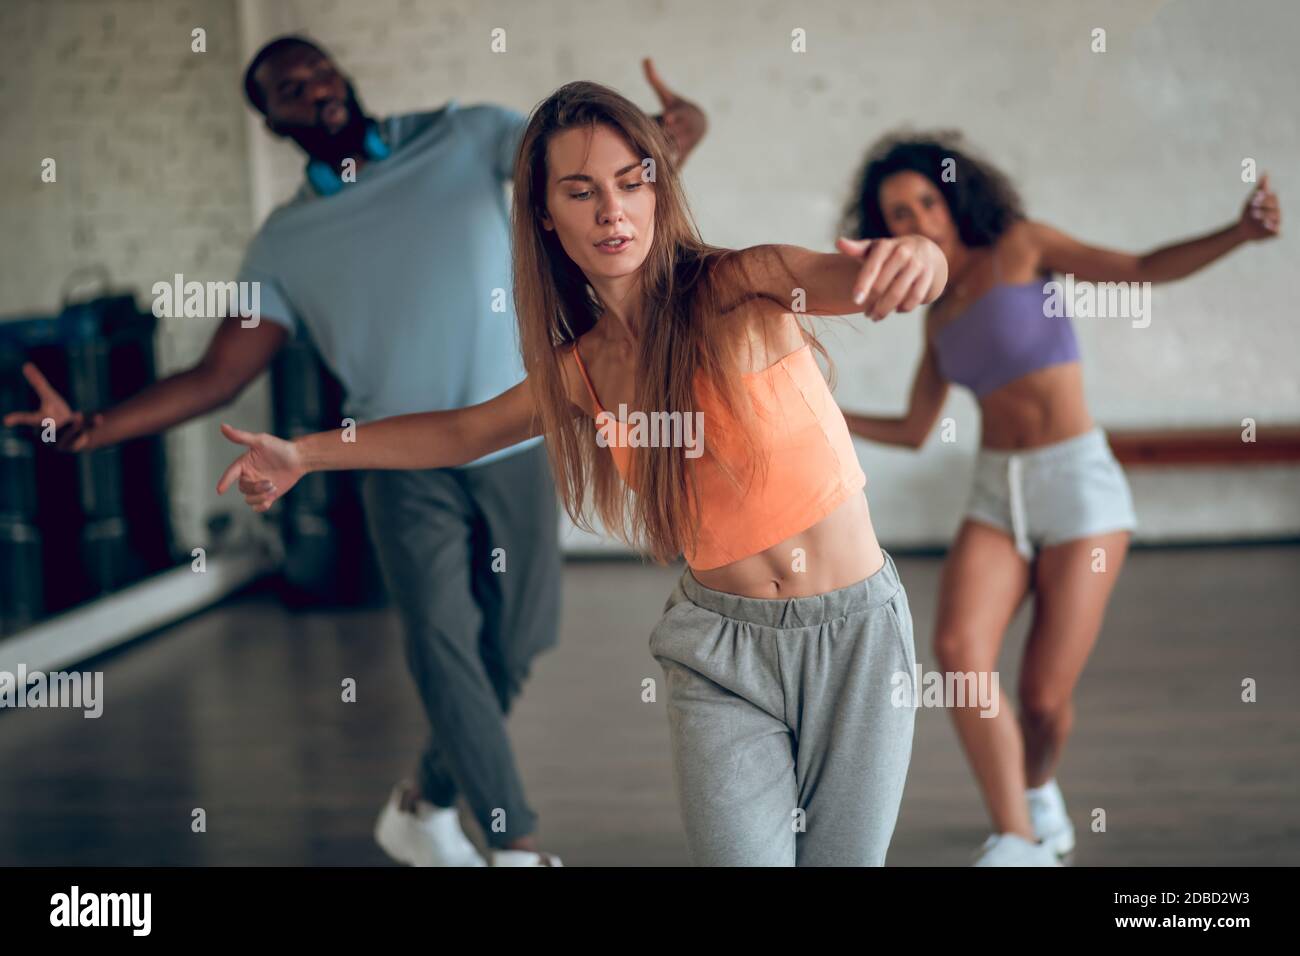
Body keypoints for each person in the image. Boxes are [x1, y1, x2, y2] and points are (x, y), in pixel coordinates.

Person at [4, 36, 707, 868]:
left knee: (519, 641)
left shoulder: (470, 134)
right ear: (272, 120)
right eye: (286, 89)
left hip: (515, 436)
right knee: (443, 644)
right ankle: (514, 842)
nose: (309, 88)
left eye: (314, 70)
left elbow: (599, 181)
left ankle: (422, 802)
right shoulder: (286, 241)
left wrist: (680, 128)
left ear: (340, 74)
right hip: (395, 462)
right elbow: (219, 374)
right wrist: (94, 426)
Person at [215, 80, 949, 866]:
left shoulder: (744, 284)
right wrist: (305, 453)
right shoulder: (580, 371)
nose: (612, 209)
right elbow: (463, 432)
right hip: (718, 653)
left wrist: (921, 257)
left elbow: (860, 281)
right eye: (581, 189)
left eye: (633, 180)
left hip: (854, 637)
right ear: (544, 214)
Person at [837, 131, 1282, 866]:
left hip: (1078, 485)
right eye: (899, 213)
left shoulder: (1022, 245)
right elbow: (918, 429)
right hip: (994, 492)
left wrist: (1239, 232)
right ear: (886, 232)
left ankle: (1039, 792)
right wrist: (827, 412)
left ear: (953, 196)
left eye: (926, 199)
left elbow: (1139, 270)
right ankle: (1018, 838)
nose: (919, 218)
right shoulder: (937, 313)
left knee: (1043, 699)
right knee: (957, 653)